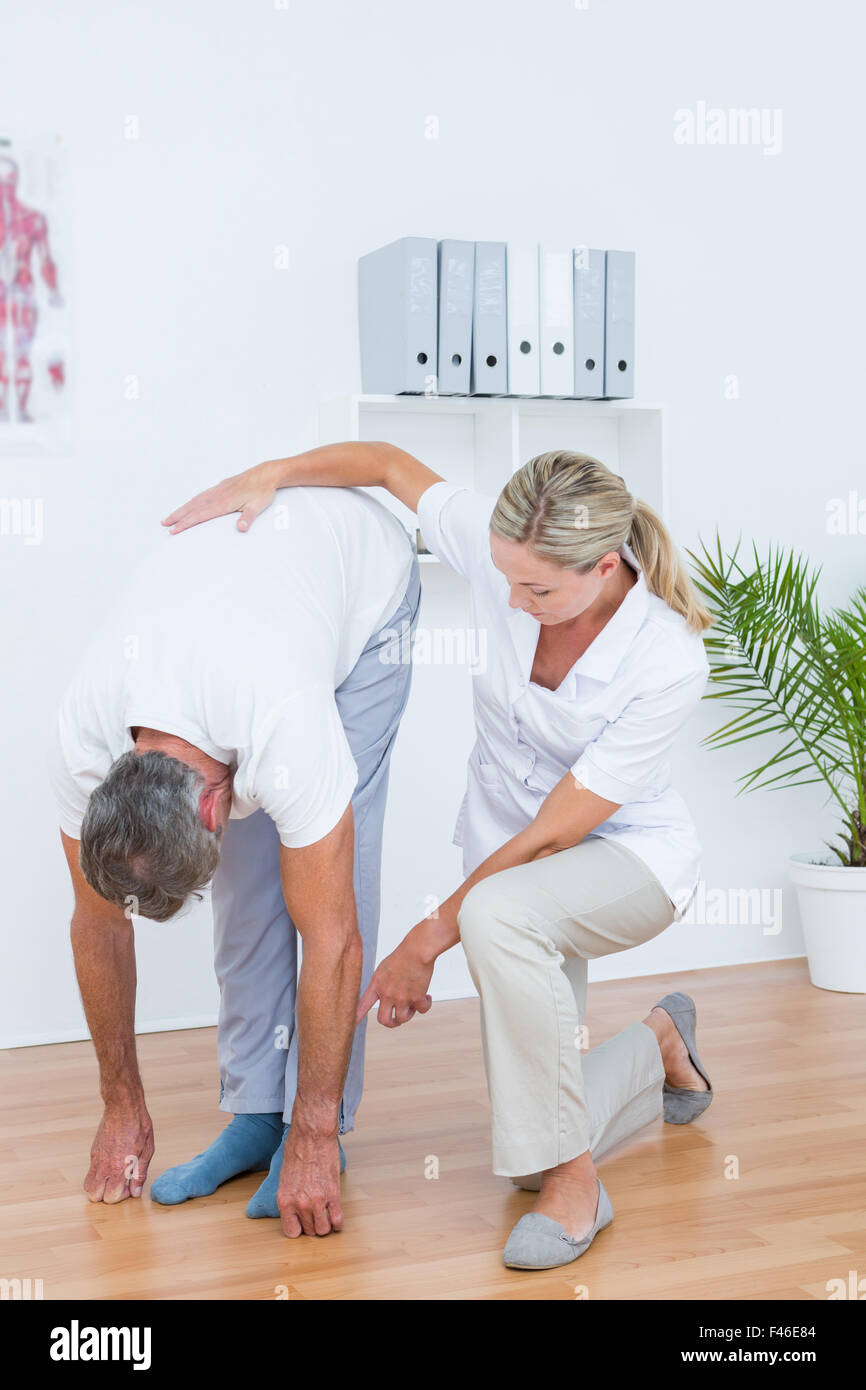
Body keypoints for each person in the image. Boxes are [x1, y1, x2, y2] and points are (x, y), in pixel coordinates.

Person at [163, 440, 714, 1269]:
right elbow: (387, 464)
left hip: (627, 863)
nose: (514, 600)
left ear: (605, 567)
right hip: (512, 887)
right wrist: (272, 474)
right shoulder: (507, 560)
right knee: (528, 1140)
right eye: (505, 578)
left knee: (497, 916)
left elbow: (560, 830)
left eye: (538, 588)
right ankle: (658, 1042)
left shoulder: (667, 656)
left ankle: (579, 1188)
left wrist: (425, 941)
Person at [48, 484, 419, 1239]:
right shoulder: (82, 741)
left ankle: (315, 1131)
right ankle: (256, 1116)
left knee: (331, 880)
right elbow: (96, 928)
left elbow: (334, 939)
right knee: (247, 891)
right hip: (249, 622)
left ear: (213, 807)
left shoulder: (283, 725)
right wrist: (120, 1103)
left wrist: (314, 1132)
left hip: (364, 591)